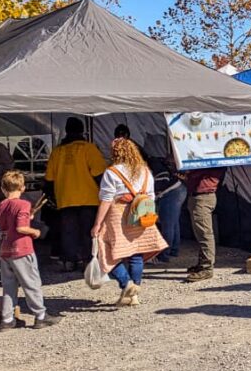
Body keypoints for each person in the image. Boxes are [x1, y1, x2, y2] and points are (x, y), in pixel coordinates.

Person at [91, 138, 167, 306]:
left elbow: (106, 199)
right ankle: (134, 294)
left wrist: (97, 224)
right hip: (140, 214)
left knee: (107, 252)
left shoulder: (112, 172)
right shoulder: (146, 171)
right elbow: (151, 196)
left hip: (117, 215)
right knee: (136, 254)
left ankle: (127, 283)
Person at [0, 171, 62, 330]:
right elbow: (21, 227)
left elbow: (6, 221)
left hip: (4, 249)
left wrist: (26, 218)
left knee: (9, 286)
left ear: (3, 189)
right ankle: (40, 315)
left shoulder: (0, 206)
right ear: (23, 187)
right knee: (31, 283)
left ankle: (7, 319)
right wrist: (35, 232)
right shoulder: (23, 204)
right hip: (21, 249)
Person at [45, 117, 107, 272]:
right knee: (88, 231)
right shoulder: (89, 148)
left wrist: (53, 197)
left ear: (66, 131)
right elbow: (100, 175)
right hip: (89, 198)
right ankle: (88, 261)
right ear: (82, 131)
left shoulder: (57, 152)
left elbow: (49, 179)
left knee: (68, 232)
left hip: (65, 199)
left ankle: (69, 261)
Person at [148, 136, 185, 263]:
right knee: (173, 222)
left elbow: (161, 182)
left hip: (171, 192)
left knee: (167, 223)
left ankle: (164, 253)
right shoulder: (157, 162)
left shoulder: (153, 165)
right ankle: (174, 249)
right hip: (179, 188)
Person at [183, 167, 224, 282]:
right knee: (201, 233)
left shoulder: (211, 161)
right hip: (199, 196)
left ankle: (207, 268)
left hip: (203, 197)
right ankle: (203, 263)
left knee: (205, 234)